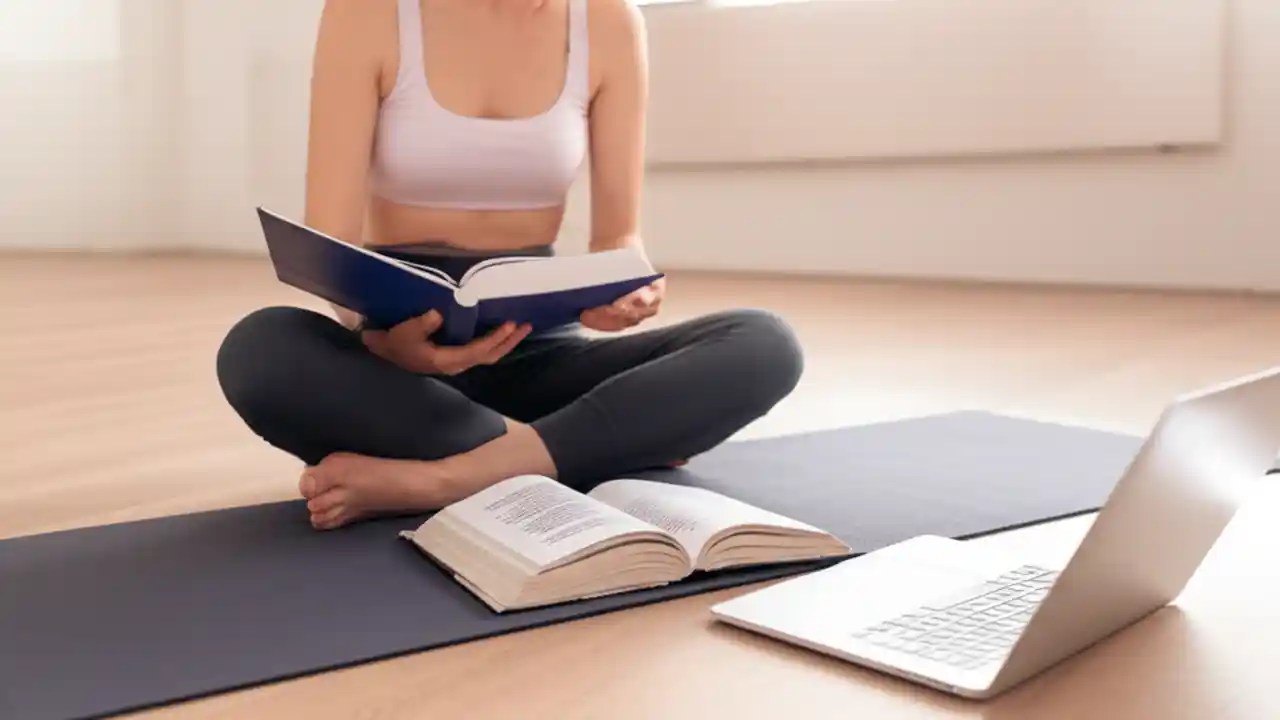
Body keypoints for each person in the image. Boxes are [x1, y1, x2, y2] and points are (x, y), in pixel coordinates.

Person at [216, 0, 803, 530]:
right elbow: (331, 241)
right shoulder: (369, 13)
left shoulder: (610, 22)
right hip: (400, 366)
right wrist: (380, 344)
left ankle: (448, 481)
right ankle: (584, 450)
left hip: (543, 352)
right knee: (260, 350)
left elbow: (620, 236)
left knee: (764, 342)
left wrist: (629, 290)